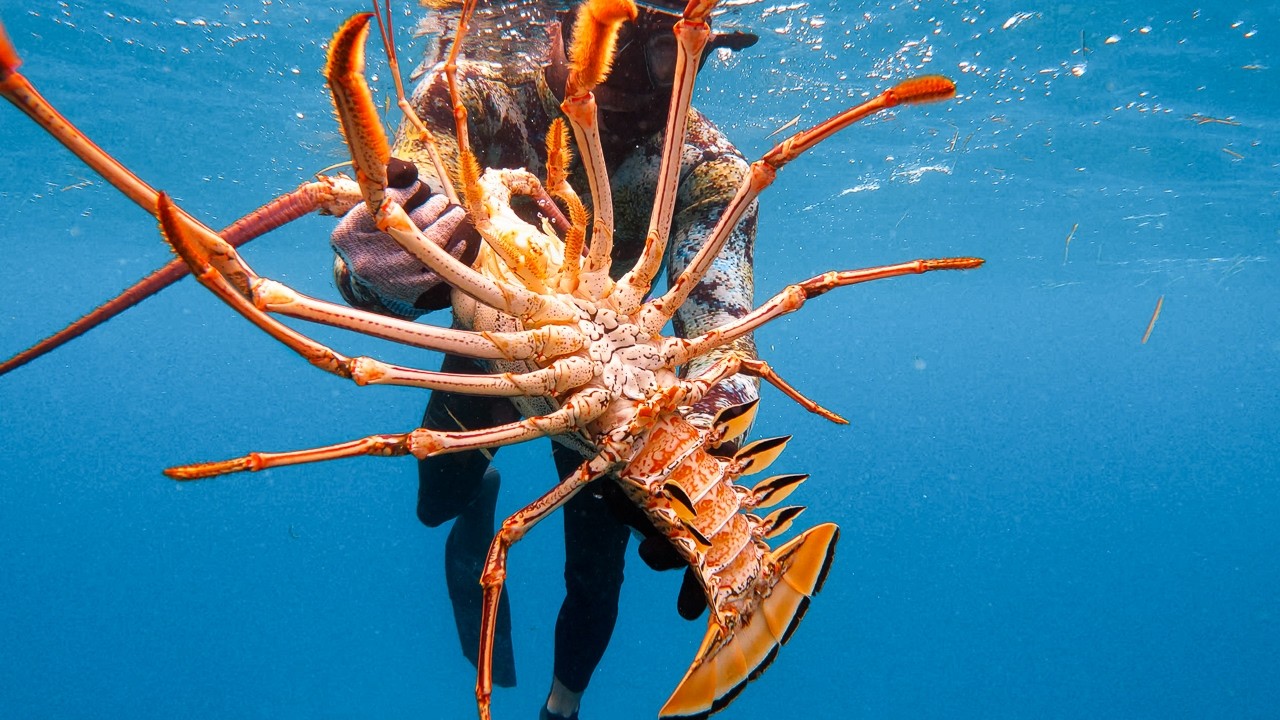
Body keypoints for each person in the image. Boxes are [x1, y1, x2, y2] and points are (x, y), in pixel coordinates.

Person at [330, 2, 760, 718]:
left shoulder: (707, 166)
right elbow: (397, 213)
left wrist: (712, 443)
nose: (629, 84)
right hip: (492, 343)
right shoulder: (473, 96)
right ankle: (475, 497)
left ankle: (561, 708)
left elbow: (724, 333)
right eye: (611, 46)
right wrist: (380, 270)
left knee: (598, 571)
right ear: (562, 28)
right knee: (436, 505)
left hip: (617, 380)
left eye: (661, 56)